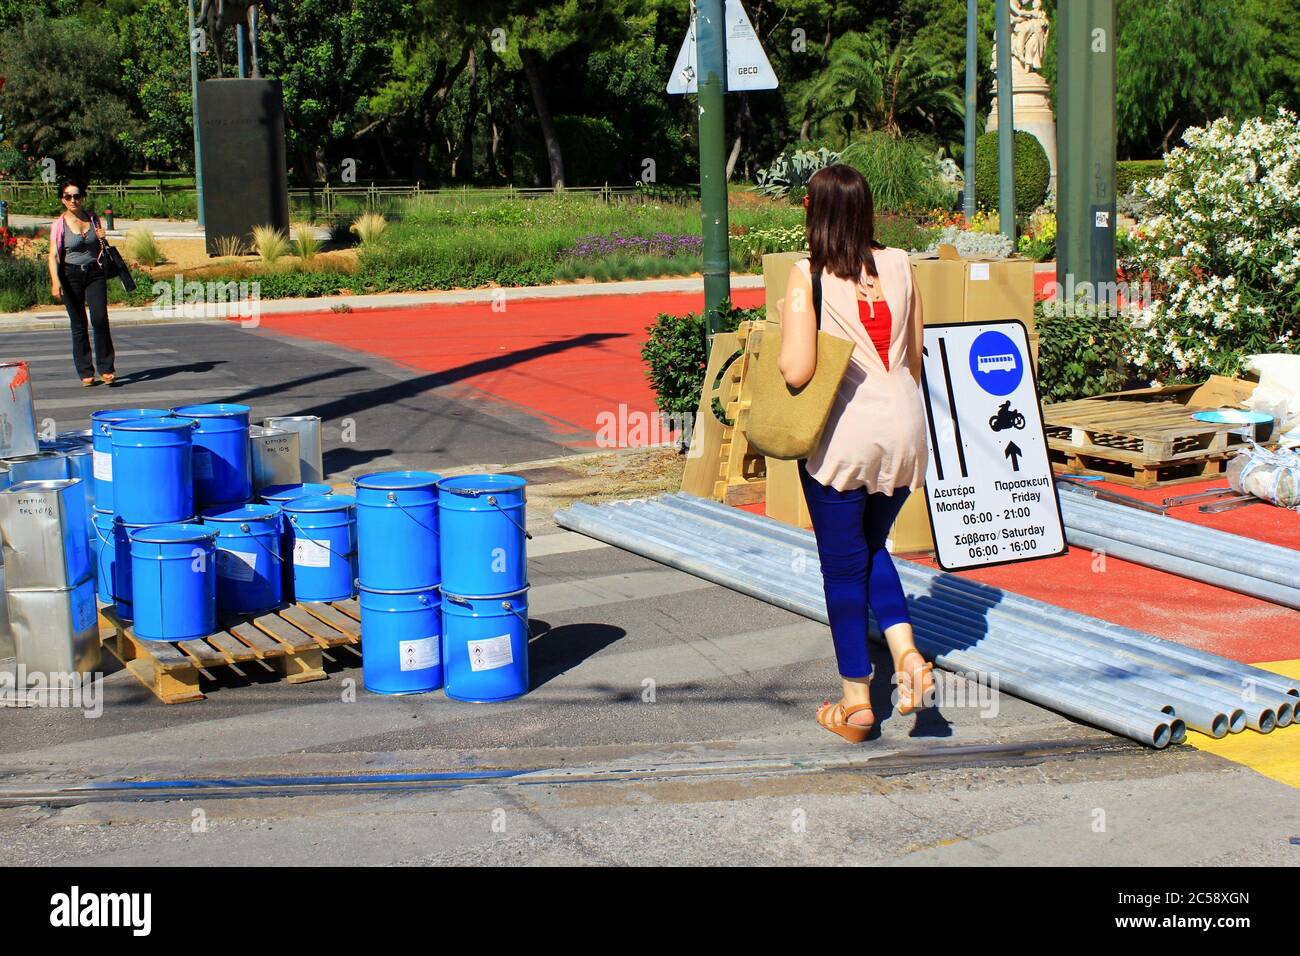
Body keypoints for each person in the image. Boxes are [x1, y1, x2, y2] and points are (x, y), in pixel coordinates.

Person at [778, 164, 935, 743]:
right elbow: (915, 353)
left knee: (842, 567)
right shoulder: (899, 264)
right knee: (871, 546)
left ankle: (856, 702)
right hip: (904, 425)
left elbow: (798, 370)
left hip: (845, 437)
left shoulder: (807, 275)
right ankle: (909, 655)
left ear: (813, 212)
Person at [47, 179, 116, 386]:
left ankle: (106, 368)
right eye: (68, 196)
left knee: (99, 319)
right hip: (70, 275)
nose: (73, 200)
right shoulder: (59, 225)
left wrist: (104, 236)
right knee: (79, 324)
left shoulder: (93, 219)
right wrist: (55, 282)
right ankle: (86, 372)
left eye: (77, 196)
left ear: (82, 198)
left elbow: (102, 247)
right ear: (63, 200)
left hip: (94, 273)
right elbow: (52, 255)